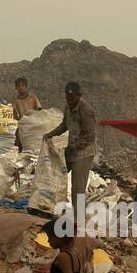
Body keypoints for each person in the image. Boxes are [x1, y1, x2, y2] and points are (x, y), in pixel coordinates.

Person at [44, 81, 97, 210]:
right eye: (68, 98)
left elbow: (91, 135)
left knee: (77, 188)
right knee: (55, 176)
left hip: (84, 152)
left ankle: (78, 220)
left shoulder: (85, 109)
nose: (70, 101)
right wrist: (50, 134)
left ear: (79, 95)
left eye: (72, 99)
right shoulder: (68, 107)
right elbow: (64, 126)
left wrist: (76, 145)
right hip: (72, 150)